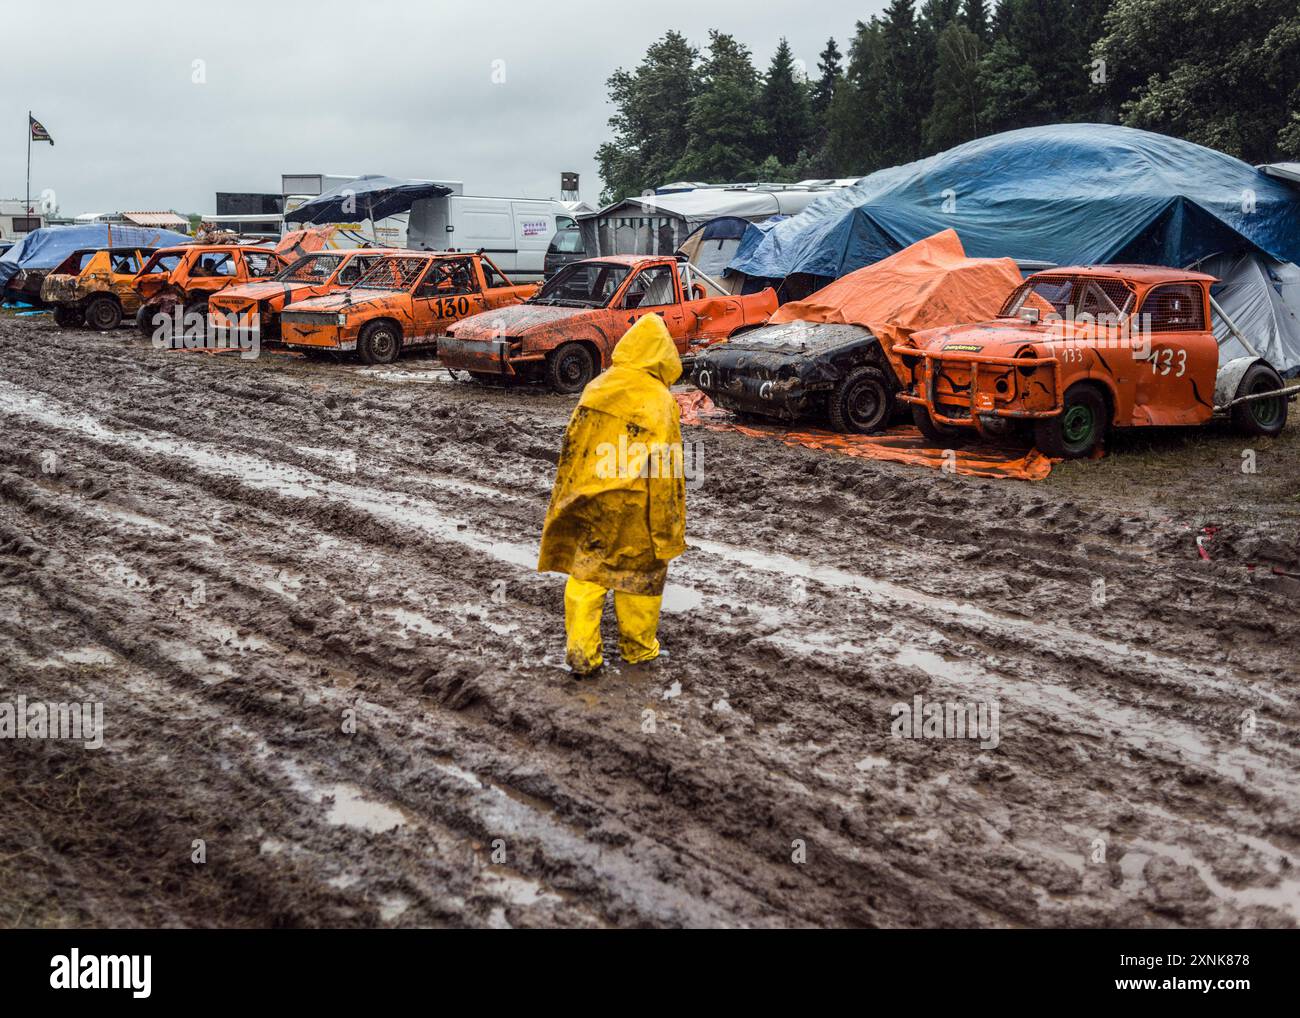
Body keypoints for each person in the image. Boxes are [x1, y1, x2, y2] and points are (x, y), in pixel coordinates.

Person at [537, 314, 687, 676]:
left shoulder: (597, 387)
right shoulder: (660, 401)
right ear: (662, 355)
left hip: (590, 499)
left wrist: (565, 497)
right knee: (640, 577)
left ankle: (582, 652)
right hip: (635, 507)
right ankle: (638, 649)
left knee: (588, 573)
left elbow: (572, 448)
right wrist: (669, 528)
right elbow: (667, 471)